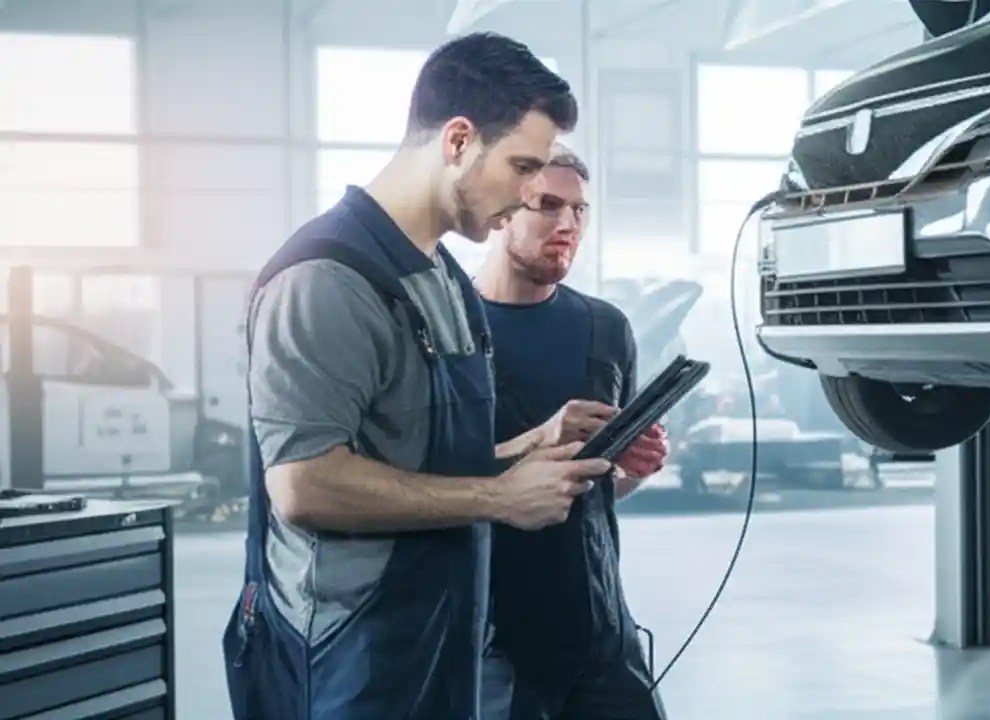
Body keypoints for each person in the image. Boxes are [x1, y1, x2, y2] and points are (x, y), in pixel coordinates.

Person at [221, 33, 613, 720]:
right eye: (523, 167)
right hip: (345, 661)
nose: (530, 195)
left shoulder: (443, 278)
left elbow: (411, 463)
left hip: (437, 639)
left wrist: (523, 449)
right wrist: (500, 499)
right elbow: (304, 484)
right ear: (458, 140)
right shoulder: (325, 280)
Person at [474, 143, 671, 720]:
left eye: (580, 210)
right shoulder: (451, 326)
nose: (568, 224)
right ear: (504, 210)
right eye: (549, 205)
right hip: (493, 640)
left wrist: (632, 468)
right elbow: (424, 479)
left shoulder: (606, 328)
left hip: (601, 628)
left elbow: (603, 486)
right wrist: (536, 441)